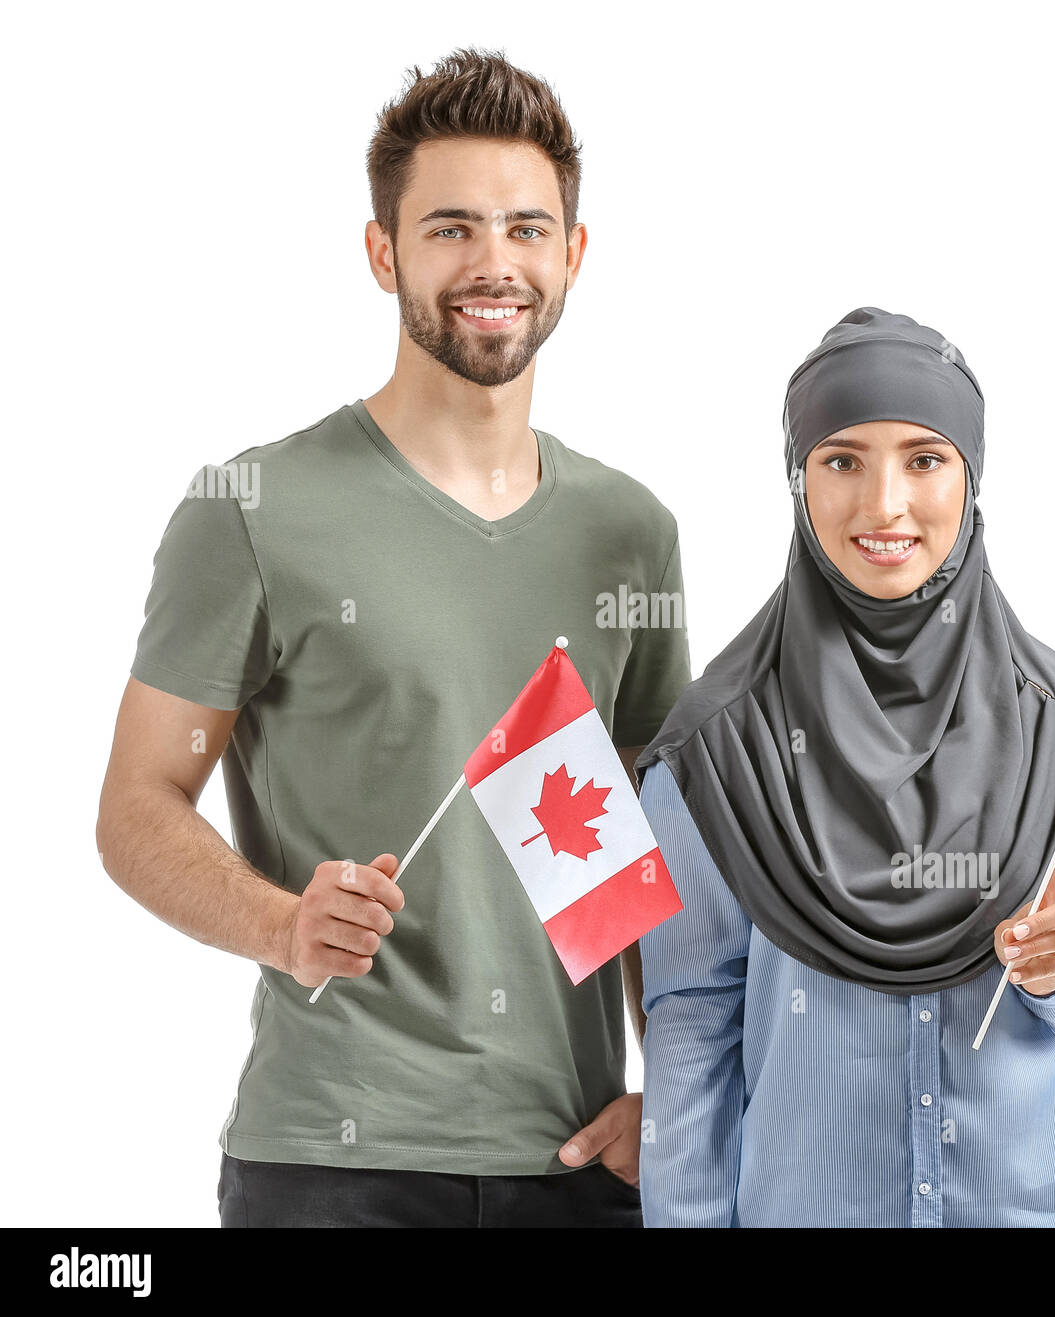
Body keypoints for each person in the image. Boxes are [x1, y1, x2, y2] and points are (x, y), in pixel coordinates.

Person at [95, 48, 690, 1228]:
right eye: (452, 227)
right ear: (384, 252)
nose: (493, 263)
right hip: (330, 1164)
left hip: (578, 1168)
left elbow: (639, 848)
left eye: (527, 228)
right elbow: (133, 808)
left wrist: (674, 1082)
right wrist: (282, 923)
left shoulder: (632, 534)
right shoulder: (252, 509)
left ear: (572, 256)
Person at [633, 307, 1055, 1228]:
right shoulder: (717, 751)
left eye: (924, 458)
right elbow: (690, 1034)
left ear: (971, 476)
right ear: (797, 481)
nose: (883, 506)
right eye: (842, 460)